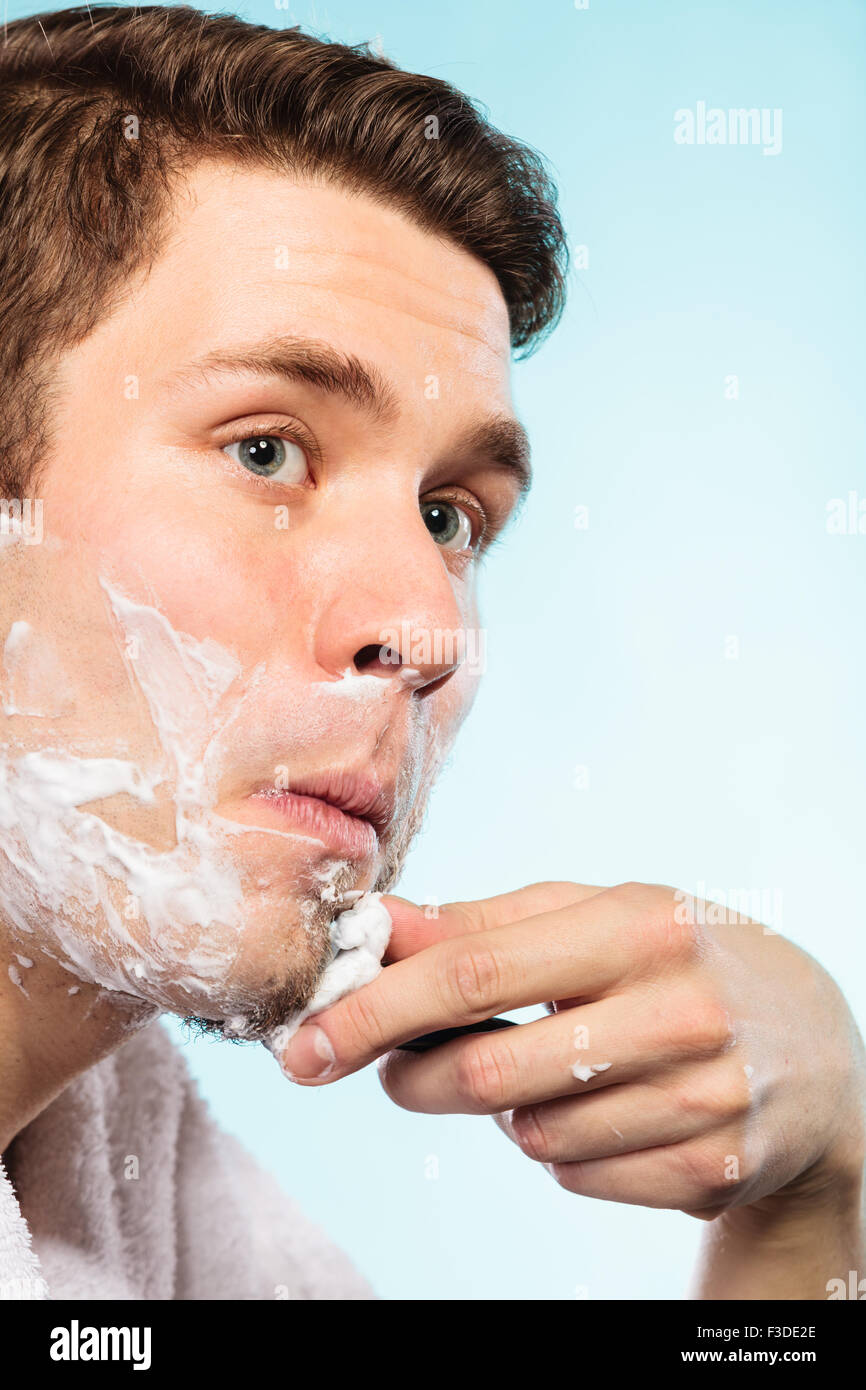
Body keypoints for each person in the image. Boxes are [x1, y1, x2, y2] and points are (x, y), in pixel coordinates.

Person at [0, 5, 862, 1302]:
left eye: (449, 517)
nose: (426, 629)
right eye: (264, 450)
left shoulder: (150, 1229)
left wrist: (815, 1204)